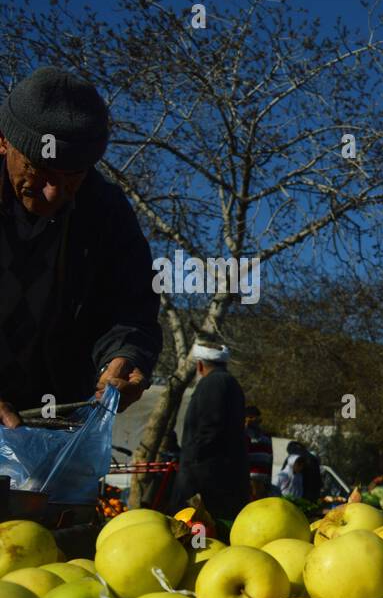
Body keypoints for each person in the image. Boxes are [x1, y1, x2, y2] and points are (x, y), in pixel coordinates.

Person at [0, 67, 161, 427]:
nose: (54, 193)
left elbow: (133, 307)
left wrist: (123, 357)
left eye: (72, 177)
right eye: (40, 171)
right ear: (2, 141)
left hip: (48, 422)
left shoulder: (104, 211)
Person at [171, 339, 250, 521]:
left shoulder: (212, 383)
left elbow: (210, 428)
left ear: (200, 366)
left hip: (207, 478)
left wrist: (192, 459)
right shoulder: (230, 383)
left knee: (198, 529)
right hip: (224, 475)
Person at [245, 406, 272, 499]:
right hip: (249, 481)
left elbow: (269, 461)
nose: (255, 421)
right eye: (251, 417)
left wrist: (268, 483)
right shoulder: (243, 434)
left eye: (257, 418)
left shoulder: (266, 438)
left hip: (262, 481)